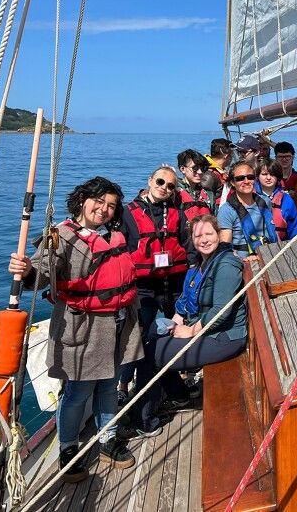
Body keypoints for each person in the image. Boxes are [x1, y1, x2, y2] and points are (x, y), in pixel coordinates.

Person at [8, 177, 143, 481]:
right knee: (77, 393)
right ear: (82, 200)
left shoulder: (114, 234)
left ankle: (107, 440)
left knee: (109, 388)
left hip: (120, 325)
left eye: (111, 205)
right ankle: (68, 448)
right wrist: (27, 271)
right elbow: (43, 273)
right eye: (99, 201)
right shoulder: (61, 236)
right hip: (83, 329)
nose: (104, 209)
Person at [120, 215, 248, 437]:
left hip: (225, 337)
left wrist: (191, 330)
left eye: (209, 234)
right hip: (207, 329)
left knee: (150, 355)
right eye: (198, 236)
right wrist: (174, 323)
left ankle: (144, 422)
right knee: (152, 339)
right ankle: (178, 395)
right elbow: (184, 304)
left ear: (219, 235)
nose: (204, 240)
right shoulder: (199, 265)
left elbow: (222, 310)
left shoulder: (226, 265)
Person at [117, 166, 191, 429]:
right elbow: (120, 248)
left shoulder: (176, 214)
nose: (164, 188)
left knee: (177, 337)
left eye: (171, 186)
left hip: (173, 285)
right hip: (144, 288)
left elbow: (187, 245)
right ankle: (124, 388)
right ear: (150, 181)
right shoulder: (128, 213)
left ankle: (175, 387)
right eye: (160, 182)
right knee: (137, 341)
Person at [217, 161, 278, 257]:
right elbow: (225, 248)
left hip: (270, 254)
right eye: (240, 178)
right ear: (232, 182)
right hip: (243, 260)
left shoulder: (265, 201)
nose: (246, 181)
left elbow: (272, 230)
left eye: (250, 177)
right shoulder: (226, 210)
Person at [256, 158, 297, 241]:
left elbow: (294, 229)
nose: (268, 177)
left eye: (272, 174)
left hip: (281, 245)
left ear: (278, 177)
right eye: (264, 174)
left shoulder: (287, 200)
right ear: (257, 176)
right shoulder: (249, 197)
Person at [177, 149, 214, 219]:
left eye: (203, 168)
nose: (200, 172)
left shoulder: (208, 193)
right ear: (182, 169)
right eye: (195, 168)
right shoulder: (175, 192)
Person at [204, 138, 234, 210]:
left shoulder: (220, 171)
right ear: (226, 156)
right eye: (231, 155)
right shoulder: (209, 174)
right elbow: (206, 199)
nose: (232, 158)